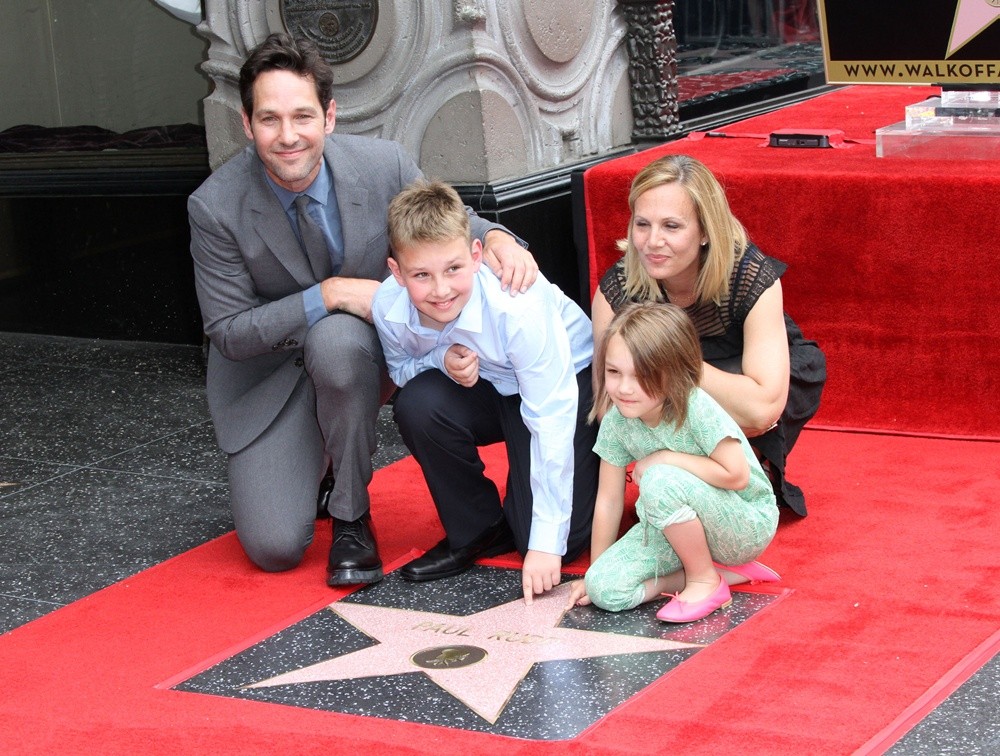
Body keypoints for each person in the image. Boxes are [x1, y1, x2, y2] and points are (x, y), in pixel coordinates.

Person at [188, 33, 535, 585]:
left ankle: (350, 516)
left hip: (358, 358)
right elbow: (228, 332)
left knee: (339, 343)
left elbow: (454, 225)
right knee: (275, 548)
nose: (287, 136)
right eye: (270, 119)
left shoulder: (383, 166)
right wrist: (328, 294)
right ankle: (322, 459)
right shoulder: (214, 207)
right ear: (246, 122)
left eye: (302, 116)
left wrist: (499, 240)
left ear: (329, 116)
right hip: (270, 375)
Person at [372, 180, 598, 604]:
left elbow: (550, 412)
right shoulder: (387, 305)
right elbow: (401, 370)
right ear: (397, 272)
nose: (440, 290)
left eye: (453, 269)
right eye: (421, 275)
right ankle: (476, 528)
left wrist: (546, 544)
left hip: (566, 380)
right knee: (418, 403)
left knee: (559, 539)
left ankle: (595, 461)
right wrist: (441, 360)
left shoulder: (517, 307)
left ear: (477, 256)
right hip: (487, 385)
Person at [592, 154, 825, 516]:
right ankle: (700, 472)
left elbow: (763, 410)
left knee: (793, 374)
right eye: (642, 224)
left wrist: (674, 361)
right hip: (662, 399)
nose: (652, 241)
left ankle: (745, 465)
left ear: (704, 231)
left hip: (730, 374)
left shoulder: (750, 275)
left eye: (671, 226)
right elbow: (609, 401)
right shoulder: (617, 289)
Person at [567, 302, 780, 622]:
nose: (624, 388)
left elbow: (737, 475)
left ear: (673, 372)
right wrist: (594, 569)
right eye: (614, 372)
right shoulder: (616, 421)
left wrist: (665, 459)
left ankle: (705, 581)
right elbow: (609, 501)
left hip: (744, 522)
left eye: (641, 376)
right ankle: (712, 571)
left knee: (659, 478)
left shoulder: (694, 405)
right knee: (604, 589)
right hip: (672, 527)